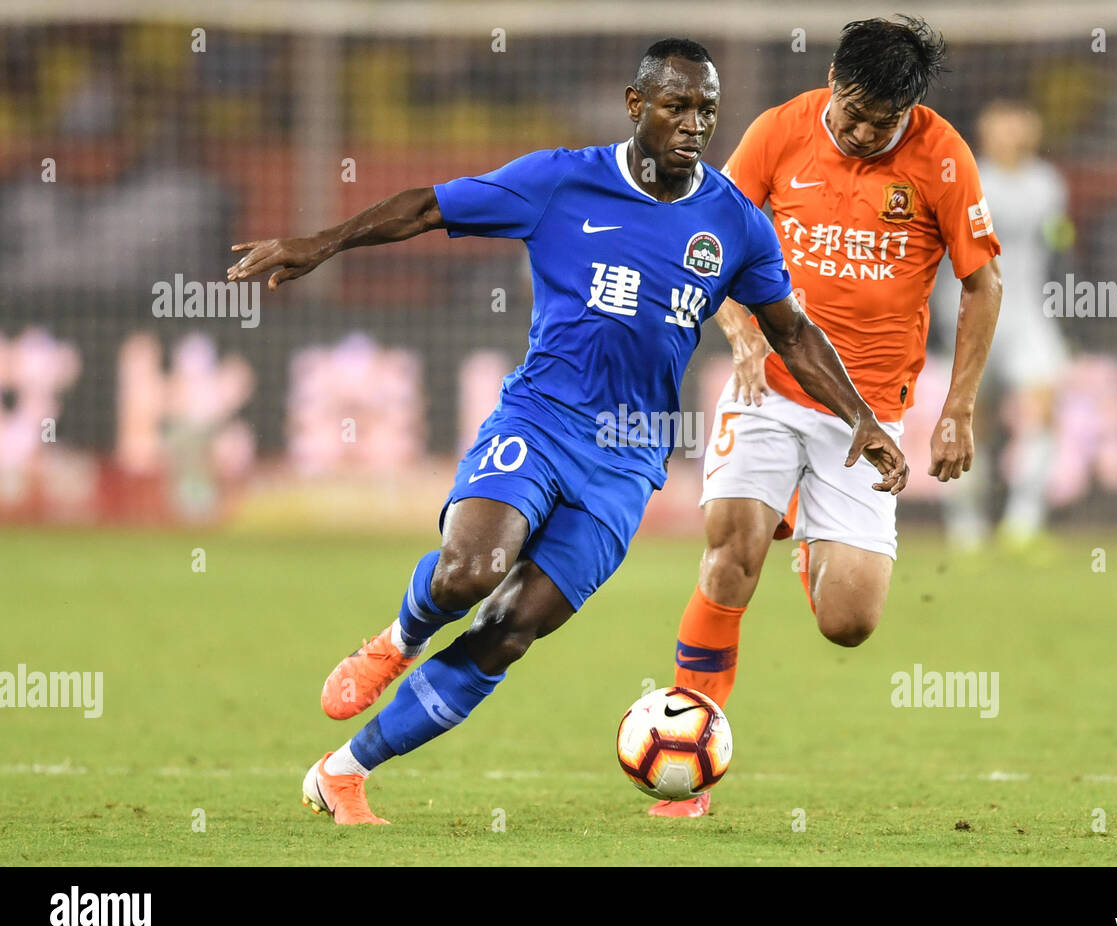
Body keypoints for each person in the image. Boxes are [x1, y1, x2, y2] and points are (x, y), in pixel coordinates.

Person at [226, 38, 907, 825]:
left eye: (707, 110)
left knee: (512, 629)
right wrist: (324, 243)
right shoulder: (559, 180)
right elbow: (426, 206)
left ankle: (343, 773)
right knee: (471, 572)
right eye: (677, 106)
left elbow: (790, 331)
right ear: (635, 105)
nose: (694, 124)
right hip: (541, 419)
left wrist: (862, 417)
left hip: (626, 463)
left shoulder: (734, 223)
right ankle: (398, 638)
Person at [654, 17, 1001, 818]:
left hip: (868, 414)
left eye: (883, 122)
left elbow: (984, 284)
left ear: (910, 109)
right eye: (851, 112)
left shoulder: (944, 157)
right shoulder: (779, 130)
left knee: (849, 623)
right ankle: (689, 758)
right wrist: (737, 323)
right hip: (770, 386)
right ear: (834, 79)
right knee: (731, 549)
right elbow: (709, 238)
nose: (862, 131)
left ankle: (813, 544)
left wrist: (958, 411)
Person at [932, 100, 1072, 551]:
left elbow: (1057, 246)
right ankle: (966, 525)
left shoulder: (1049, 185)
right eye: (1005, 124)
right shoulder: (967, 178)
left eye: (1021, 122)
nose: (1015, 132)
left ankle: (1023, 523)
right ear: (986, 131)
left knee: (1045, 405)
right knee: (972, 421)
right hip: (969, 310)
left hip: (1027, 311)